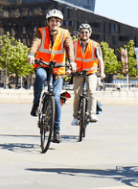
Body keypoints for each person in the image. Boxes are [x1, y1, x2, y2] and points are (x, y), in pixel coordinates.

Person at [28, 8, 75, 144]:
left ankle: (56, 131)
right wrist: (31, 54)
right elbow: (35, 43)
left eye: (57, 21)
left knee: (55, 98)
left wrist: (72, 62)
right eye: (52, 20)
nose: (55, 23)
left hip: (58, 68)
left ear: (60, 23)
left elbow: (69, 47)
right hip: (42, 65)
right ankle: (36, 103)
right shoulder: (40, 31)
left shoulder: (65, 33)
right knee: (41, 77)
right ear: (48, 22)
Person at [70, 23, 105, 124]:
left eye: (86, 32)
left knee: (92, 92)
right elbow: (70, 58)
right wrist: (68, 69)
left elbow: (100, 59)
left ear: (90, 33)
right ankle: (76, 117)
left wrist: (102, 72)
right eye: (82, 32)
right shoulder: (74, 44)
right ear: (79, 33)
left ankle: (92, 113)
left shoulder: (95, 45)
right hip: (78, 72)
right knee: (77, 94)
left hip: (91, 72)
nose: (84, 34)